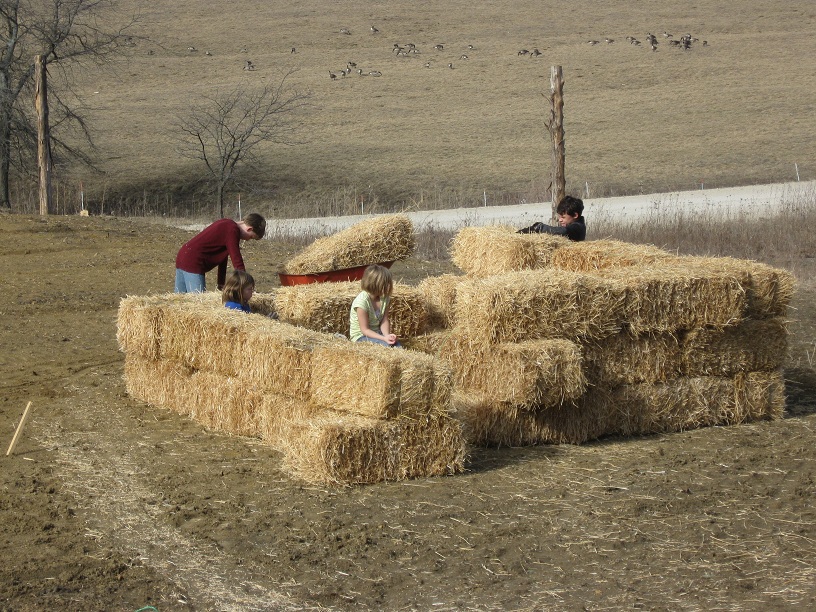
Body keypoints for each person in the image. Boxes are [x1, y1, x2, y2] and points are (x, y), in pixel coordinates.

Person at [174, 213, 266, 293]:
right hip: (193, 262)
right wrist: (245, 283)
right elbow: (236, 259)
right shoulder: (232, 230)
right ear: (249, 229)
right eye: (251, 237)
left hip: (183, 255)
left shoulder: (227, 224)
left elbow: (223, 258)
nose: (247, 240)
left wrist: (220, 285)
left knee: (179, 300)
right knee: (198, 302)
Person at [349, 264, 401, 347]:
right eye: (386, 283)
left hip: (377, 334)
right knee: (385, 346)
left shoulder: (385, 298)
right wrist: (383, 339)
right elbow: (365, 330)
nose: (389, 286)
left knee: (397, 345)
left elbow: (384, 320)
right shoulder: (362, 302)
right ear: (376, 284)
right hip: (361, 337)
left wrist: (387, 336)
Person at [517, 195, 586, 241]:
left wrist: (541, 228)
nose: (560, 220)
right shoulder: (577, 225)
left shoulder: (577, 228)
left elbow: (564, 231)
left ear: (575, 215)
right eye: (559, 217)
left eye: (563, 217)